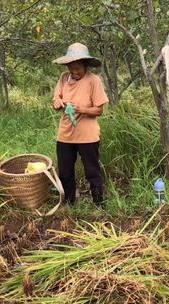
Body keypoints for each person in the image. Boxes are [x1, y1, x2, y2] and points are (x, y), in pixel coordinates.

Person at [52, 43, 109, 206]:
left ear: (85, 65)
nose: (74, 72)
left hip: (88, 136)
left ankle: (99, 203)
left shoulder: (93, 80)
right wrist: (57, 103)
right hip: (65, 134)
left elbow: (99, 110)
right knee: (65, 172)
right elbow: (57, 100)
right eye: (71, 68)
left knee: (92, 171)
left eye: (78, 68)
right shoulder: (63, 78)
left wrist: (80, 109)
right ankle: (69, 203)